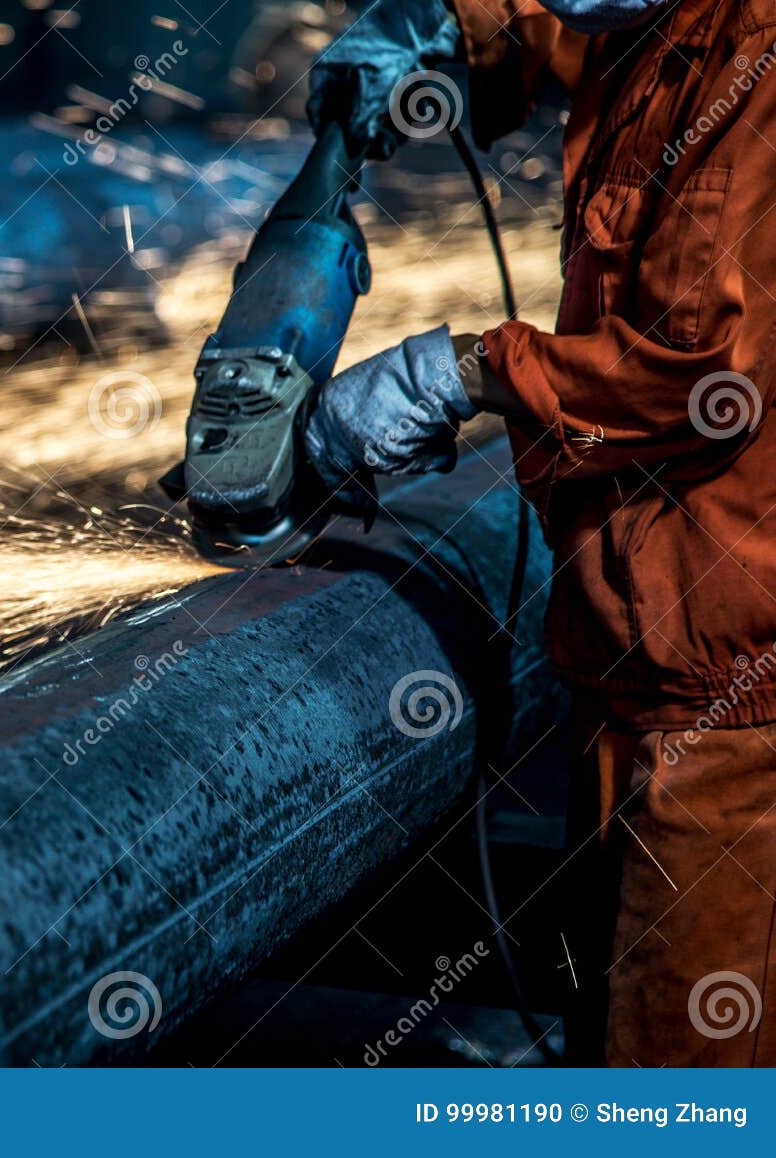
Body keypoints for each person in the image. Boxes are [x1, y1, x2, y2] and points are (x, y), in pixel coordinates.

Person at [306, 0, 776, 1065]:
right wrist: (437, 25)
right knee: (603, 1041)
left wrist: (465, 374)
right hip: (636, 683)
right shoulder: (659, 32)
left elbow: (699, 372)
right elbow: (559, 35)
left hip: (739, 717)